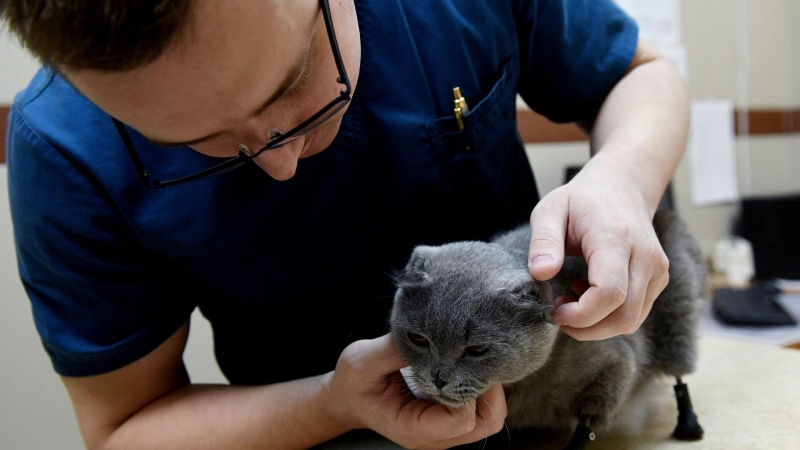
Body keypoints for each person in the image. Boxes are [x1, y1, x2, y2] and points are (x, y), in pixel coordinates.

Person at [2, 0, 688, 448]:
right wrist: (333, 404)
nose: (281, 161)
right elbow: (122, 427)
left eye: (293, 83)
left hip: (539, 418)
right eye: (203, 143)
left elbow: (639, 74)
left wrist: (623, 179)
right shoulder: (64, 149)